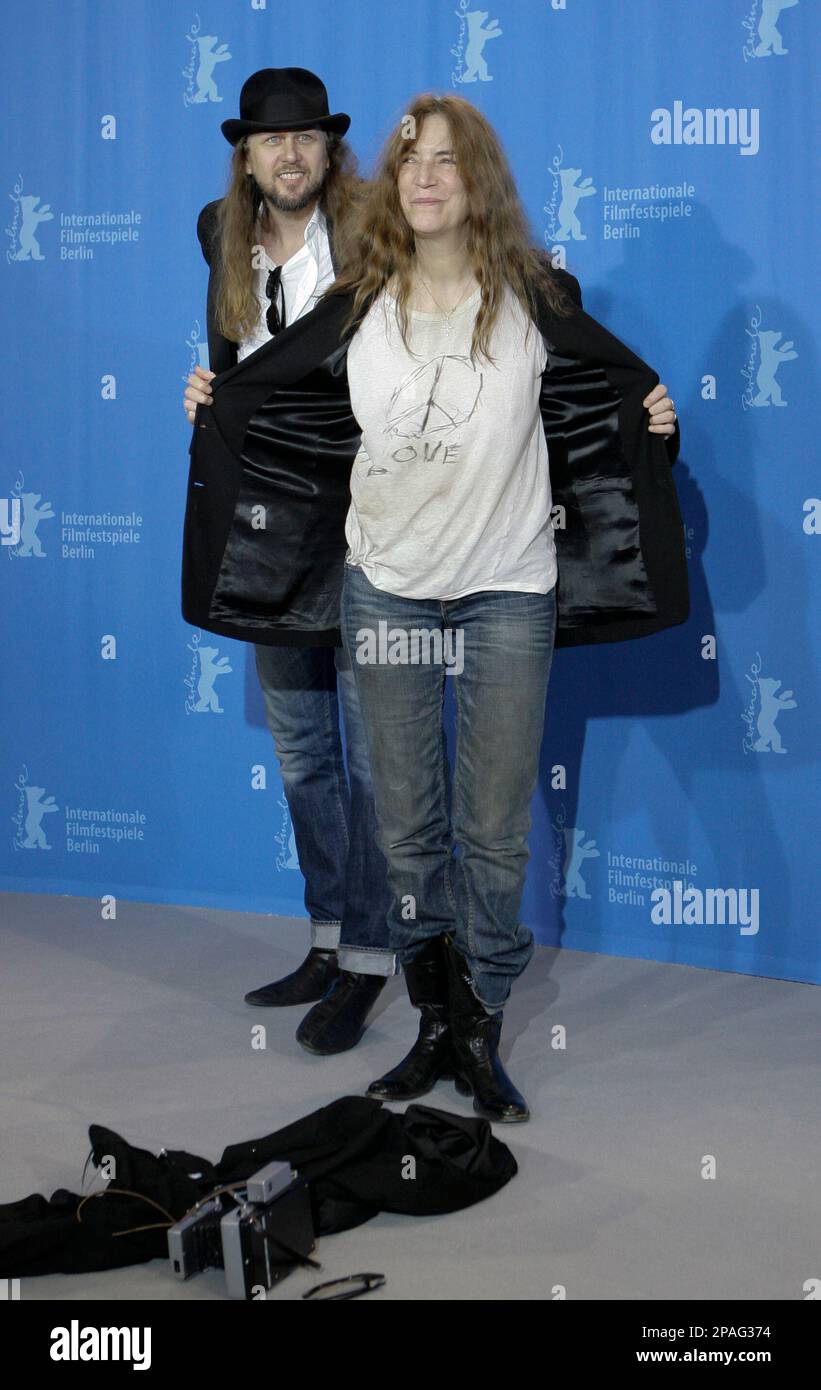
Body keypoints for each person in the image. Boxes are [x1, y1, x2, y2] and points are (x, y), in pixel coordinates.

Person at [181, 97, 685, 1121]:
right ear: (390, 181)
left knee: (493, 833)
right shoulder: (358, 298)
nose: (423, 176)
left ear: (477, 181)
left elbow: (608, 411)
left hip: (506, 589)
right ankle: (431, 1018)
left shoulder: (537, 297)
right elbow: (277, 395)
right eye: (410, 159)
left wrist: (654, 429)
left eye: (446, 161)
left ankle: (480, 1020)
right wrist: (217, 403)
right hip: (386, 590)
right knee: (408, 834)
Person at [183, 68, 395, 1055]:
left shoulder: (375, 232)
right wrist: (207, 394)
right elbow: (234, 368)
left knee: (370, 760)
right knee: (306, 755)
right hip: (272, 533)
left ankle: (369, 957)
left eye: (306, 136)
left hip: (371, 524)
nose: (290, 153)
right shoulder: (219, 235)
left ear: (328, 147)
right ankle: (324, 938)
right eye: (272, 140)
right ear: (247, 154)